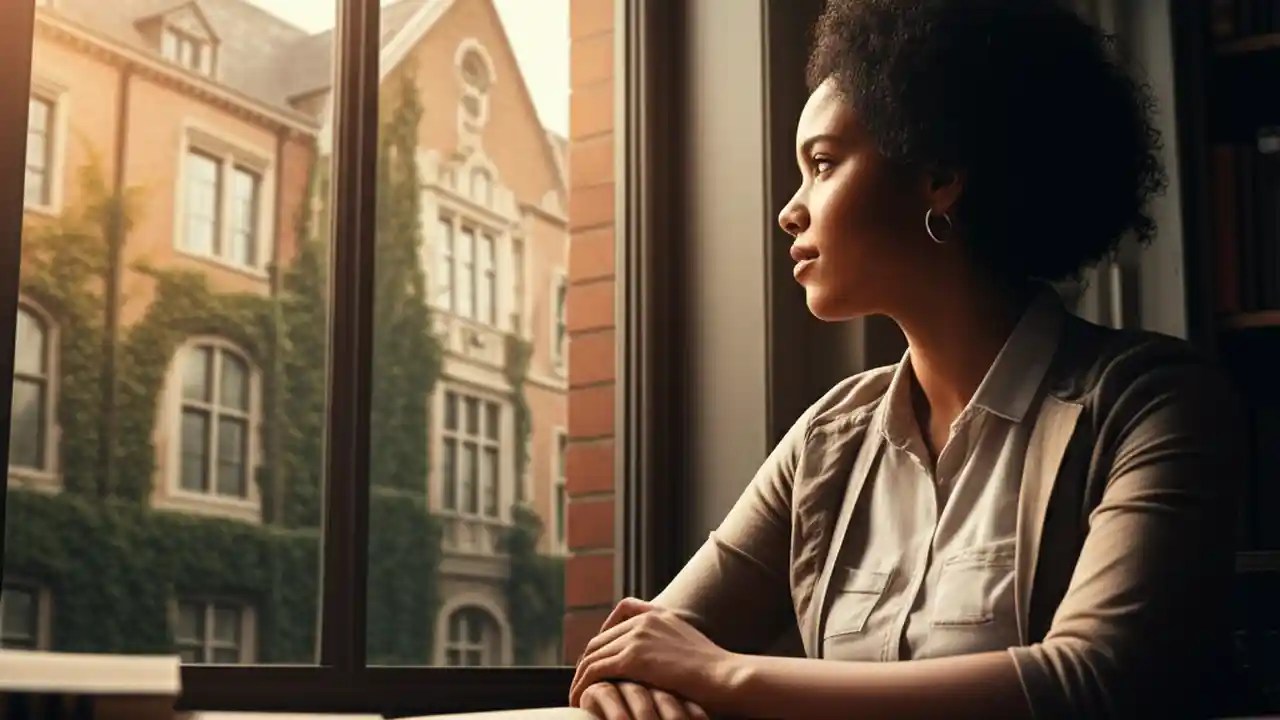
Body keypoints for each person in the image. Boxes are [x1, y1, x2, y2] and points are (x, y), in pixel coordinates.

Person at [569, 0, 1245, 718]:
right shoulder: (828, 438)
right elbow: (637, 649)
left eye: (822, 165)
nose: (789, 211)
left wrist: (728, 676)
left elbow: (1093, 679)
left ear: (941, 174)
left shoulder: (1154, 402)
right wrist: (642, 677)